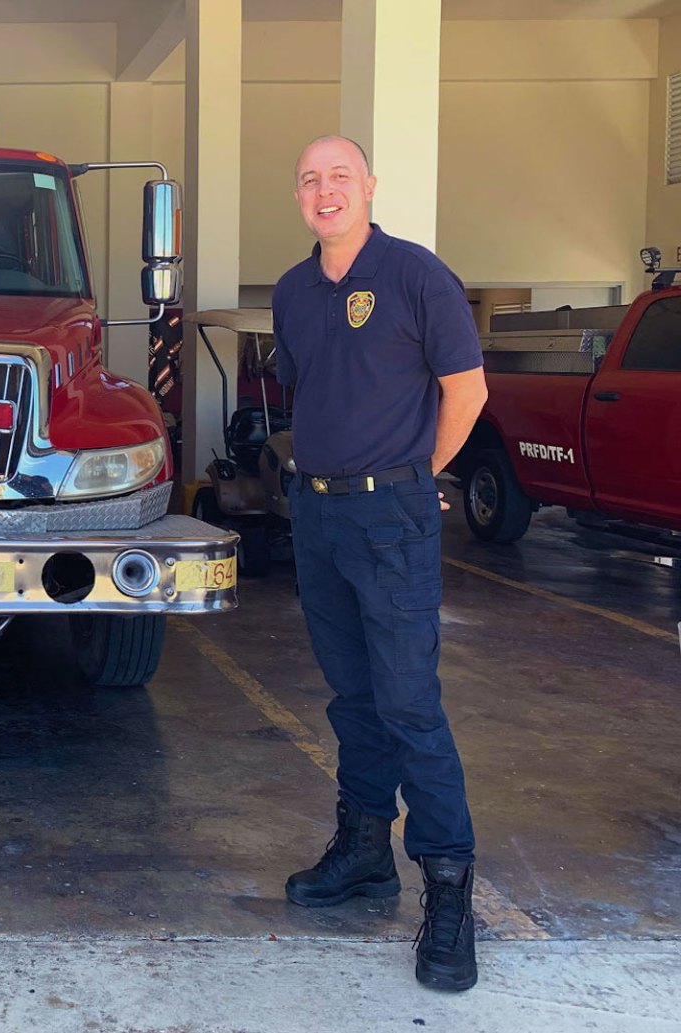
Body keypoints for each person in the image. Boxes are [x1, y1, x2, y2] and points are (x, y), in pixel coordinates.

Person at [272, 136, 489, 992]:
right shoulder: (293, 290)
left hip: (390, 515)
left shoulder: (416, 275)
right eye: (309, 180)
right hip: (317, 513)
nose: (324, 192)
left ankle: (448, 891)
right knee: (352, 696)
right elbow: (309, 387)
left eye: (338, 177)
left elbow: (465, 391)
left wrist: (409, 479)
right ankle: (364, 852)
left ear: (369, 186)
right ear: (300, 196)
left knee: (408, 702)